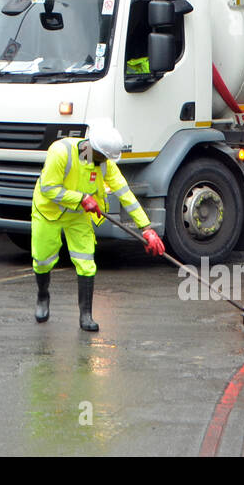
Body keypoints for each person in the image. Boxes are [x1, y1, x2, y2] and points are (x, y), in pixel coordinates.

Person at [30, 125, 162, 331]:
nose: (105, 162)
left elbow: (124, 193)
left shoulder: (104, 163)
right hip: (49, 212)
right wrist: (81, 198)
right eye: (102, 157)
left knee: (86, 261)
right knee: (43, 259)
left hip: (77, 215)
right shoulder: (60, 152)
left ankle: (86, 315)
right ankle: (42, 295)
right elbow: (48, 188)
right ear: (92, 147)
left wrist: (145, 227)